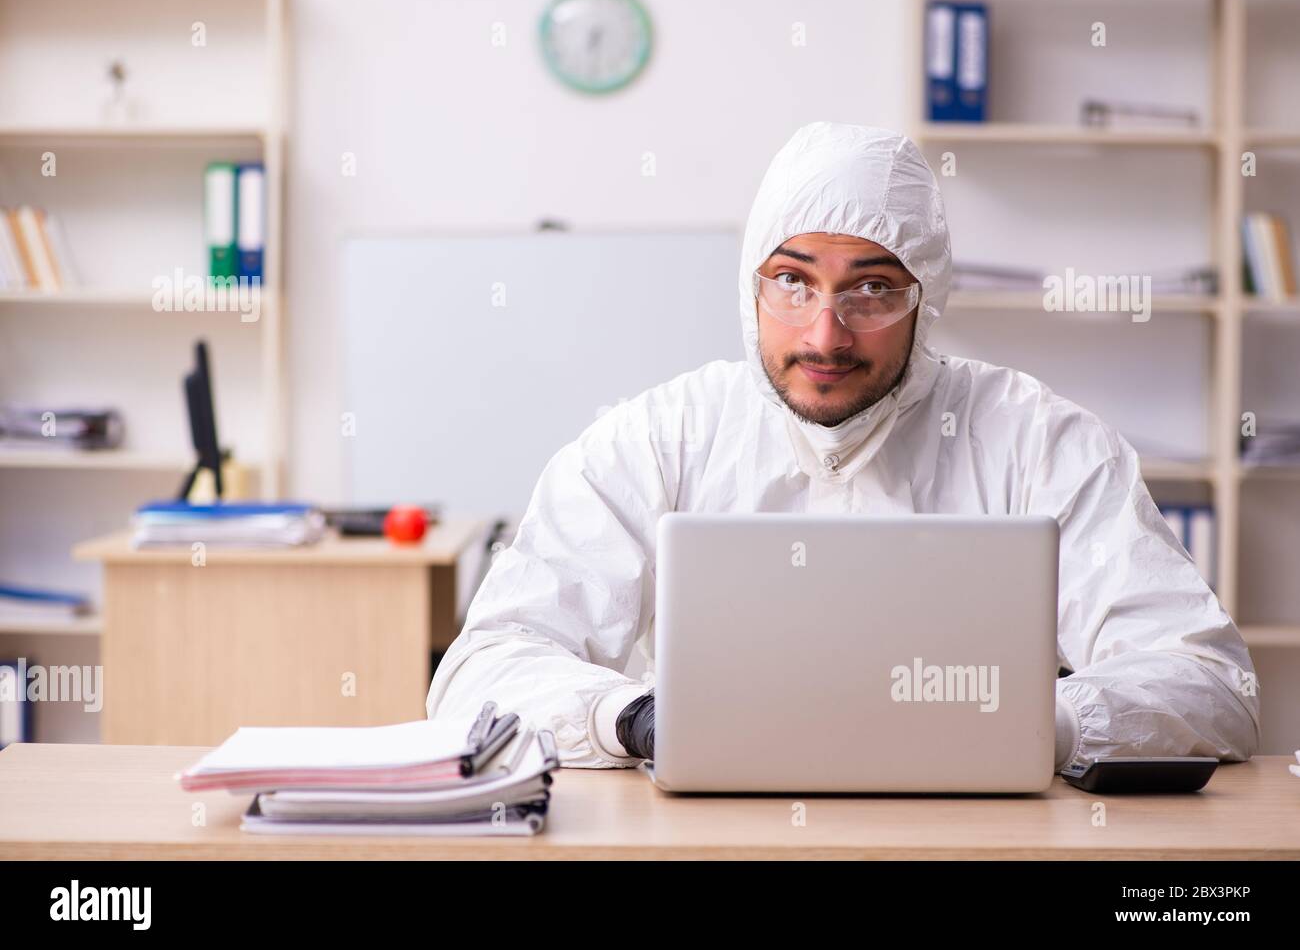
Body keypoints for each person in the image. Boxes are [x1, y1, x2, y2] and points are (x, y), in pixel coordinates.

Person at [426, 121, 1261, 772]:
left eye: (871, 288)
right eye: (793, 281)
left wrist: (1026, 726)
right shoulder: (654, 438)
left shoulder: (1039, 440)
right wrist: (643, 720)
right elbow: (485, 670)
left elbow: (1211, 682)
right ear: (750, 286)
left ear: (924, 299)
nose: (825, 332)